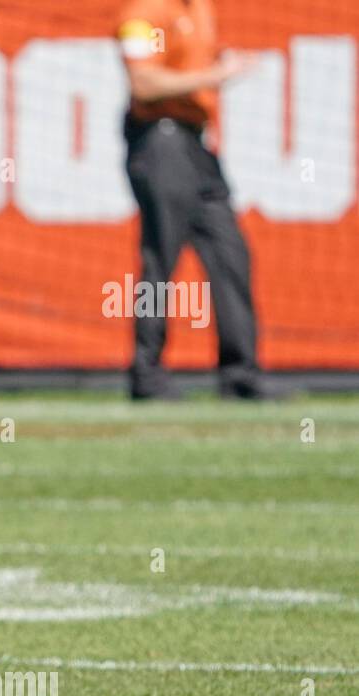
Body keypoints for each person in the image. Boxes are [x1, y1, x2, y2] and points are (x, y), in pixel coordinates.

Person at [117, 0, 281, 400]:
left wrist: (220, 66)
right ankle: (148, 375)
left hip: (195, 144)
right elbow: (143, 83)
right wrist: (215, 74)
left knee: (231, 253)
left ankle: (240, 374)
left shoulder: (200, 8)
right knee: (161, 258)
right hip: (159, 140)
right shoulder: (144, 14)